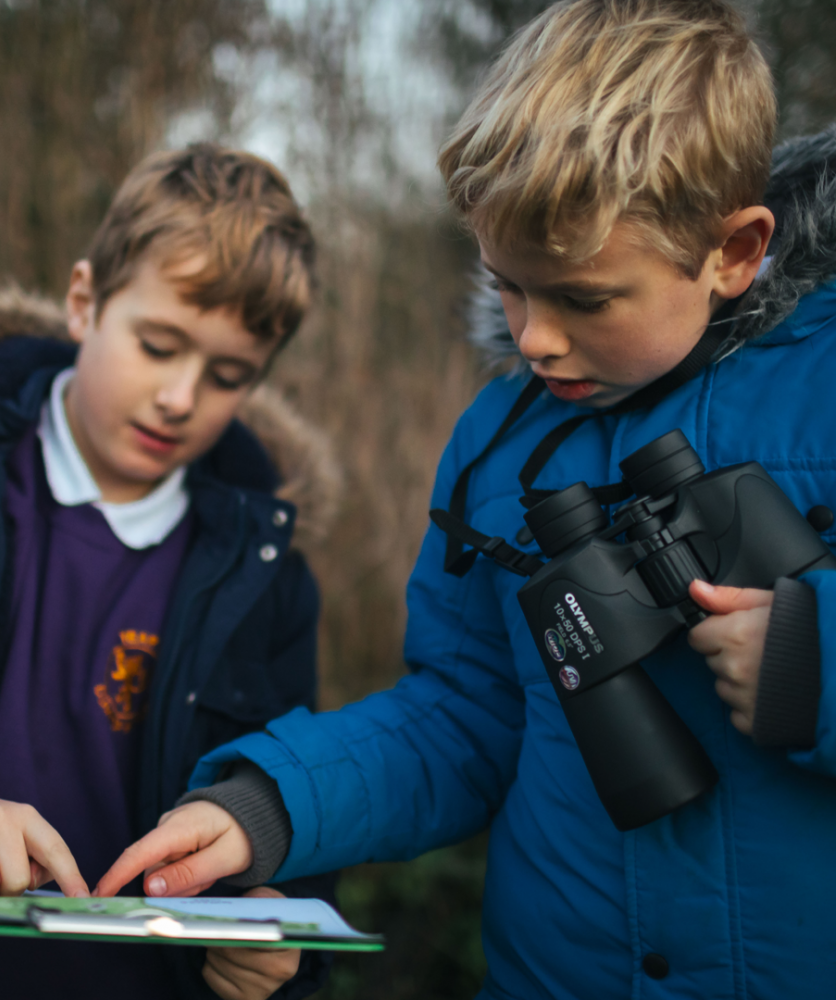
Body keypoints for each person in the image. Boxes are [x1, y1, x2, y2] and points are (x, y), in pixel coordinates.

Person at [93, 3, 836, 998]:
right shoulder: (499, 447)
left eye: (583, 297)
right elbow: (464, 714)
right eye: (508, 286)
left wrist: (816, 662)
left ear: (734, 251)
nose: (533, 339)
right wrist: (268, 807)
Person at [0, 145, 341, 1000]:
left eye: (228, 377)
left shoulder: (268, 575)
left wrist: (276, 934)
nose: (180, 398)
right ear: (84, 302)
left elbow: (295, 805)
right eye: (157, 345)